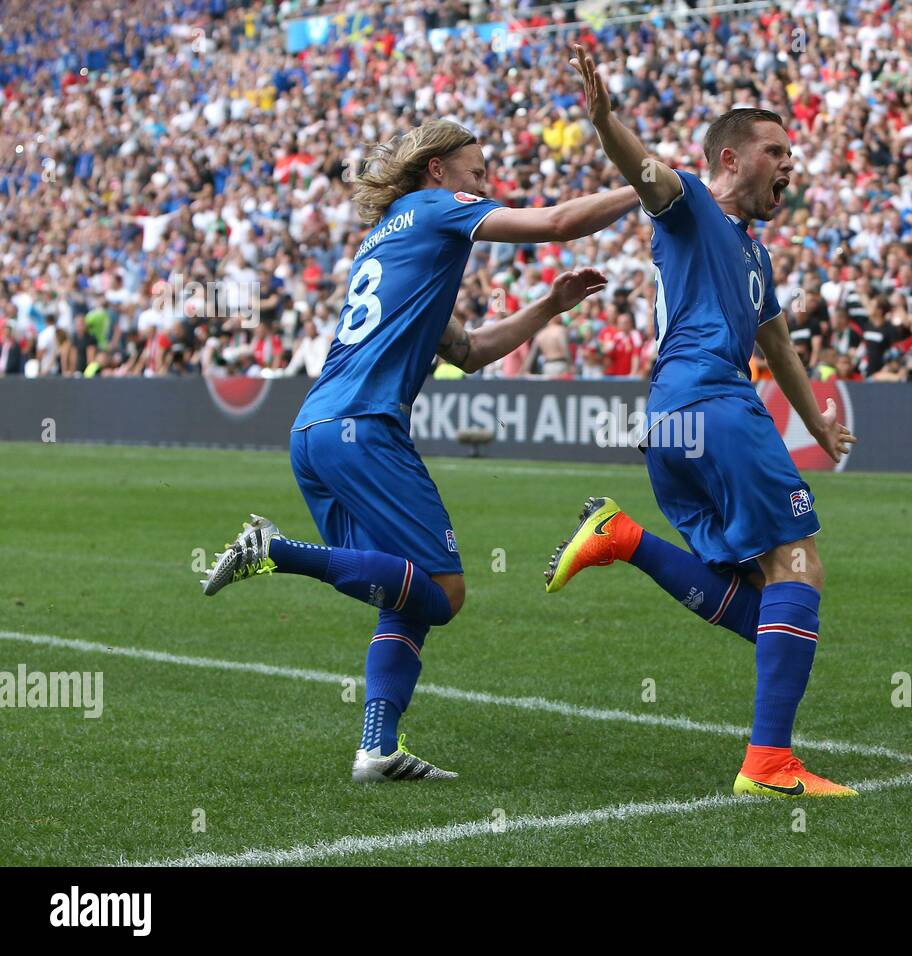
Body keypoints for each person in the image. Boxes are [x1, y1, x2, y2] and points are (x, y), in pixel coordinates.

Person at [198, 119, 640, 782]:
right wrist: (647, 181)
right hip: (364, 429)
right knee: (444, 592)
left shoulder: (394, 241)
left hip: (315, 433)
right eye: (477, 171)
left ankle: (377, 747)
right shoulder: (436, 209)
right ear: (438, 169)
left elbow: (470, 352)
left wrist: (548, 306)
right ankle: (276, 551)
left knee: (400, 594)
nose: (485, 184)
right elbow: (556, 223)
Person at [542, 46, 858, 799]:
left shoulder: (754, 254)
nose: (790, 164)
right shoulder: (691, 203)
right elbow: (644, 170)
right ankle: (769, 763)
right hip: (714, 406)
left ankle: (620, 537)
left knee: (765, 603)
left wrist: (814, 421)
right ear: (730, 157)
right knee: (799, 566)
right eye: (776, 151)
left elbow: (776, 343)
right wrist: (607, 121)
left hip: (671, 424)